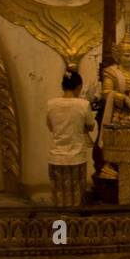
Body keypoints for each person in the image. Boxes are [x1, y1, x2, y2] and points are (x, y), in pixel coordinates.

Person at [46, 68, 96, 206]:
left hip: (56, 155)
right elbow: (91, 126)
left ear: (62, 86)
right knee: (75, 196)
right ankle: (74, 223)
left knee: (59, 196)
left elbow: (50, 127)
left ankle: (60, 223)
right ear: (79, 87)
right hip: (76, 156)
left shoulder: (51, 104)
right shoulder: (83, 104)